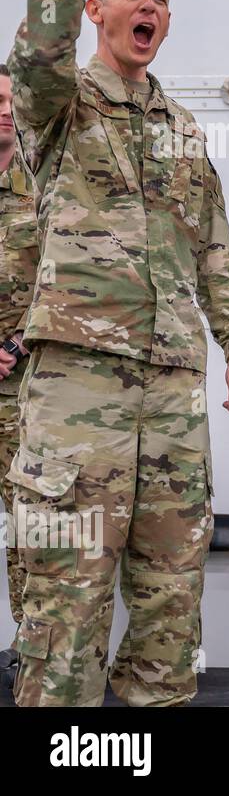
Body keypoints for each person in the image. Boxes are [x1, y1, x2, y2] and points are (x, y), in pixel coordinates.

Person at [5, 0, 229, 706]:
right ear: (97, 11)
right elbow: (34, 57)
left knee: (170, 602)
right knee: (66, 603)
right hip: (75, 392)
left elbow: (215, 251)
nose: (149, 8)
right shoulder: (59, 107)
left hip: (171, 394)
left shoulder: (184, 128)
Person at [0, 63, 37, 689]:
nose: (4, 108)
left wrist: (18, 340)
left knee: (31, 535)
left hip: (27, 389)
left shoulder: (47, 184)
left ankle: (34, 656)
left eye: (12, 99)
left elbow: (78, 270)